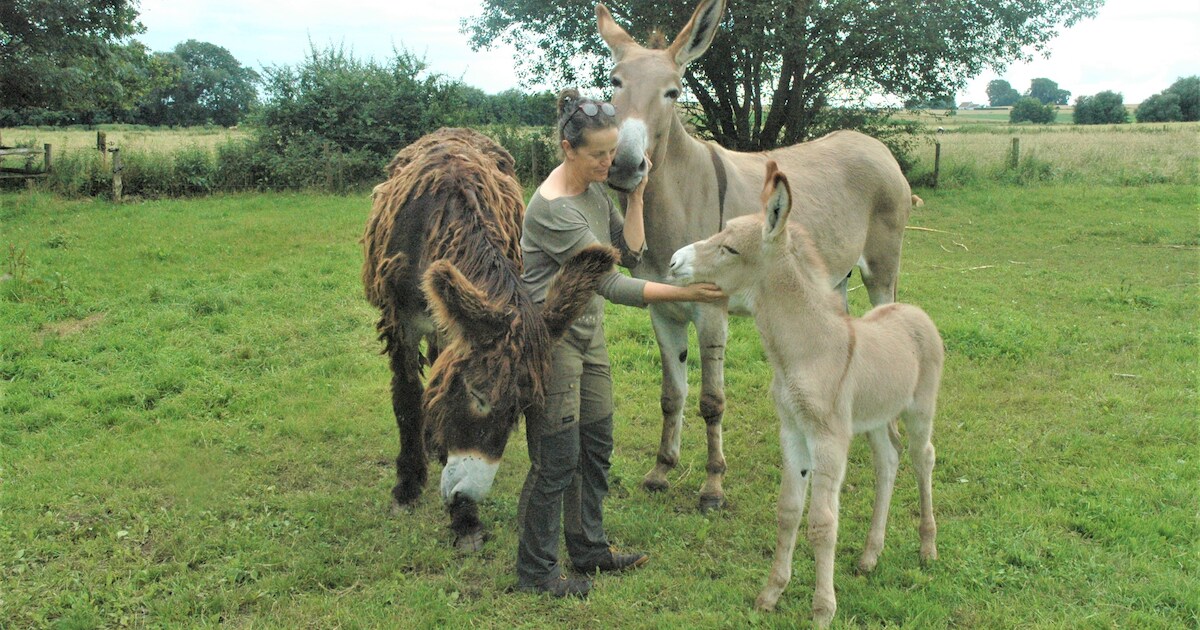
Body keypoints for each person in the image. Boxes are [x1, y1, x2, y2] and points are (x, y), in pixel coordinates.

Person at [515, 89, 726, 598]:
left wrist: (635, 195)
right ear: (568, 149)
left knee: (597, 446)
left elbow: (629, 253)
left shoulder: (594, 191)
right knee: (556, 459)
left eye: (613, 153)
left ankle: (587, 549)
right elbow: (608, 283)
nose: (611, 162)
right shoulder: (550, 210)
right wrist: (687, 292)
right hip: (552, 339)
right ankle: (537, 574)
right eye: (598, 155)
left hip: (588, 335)